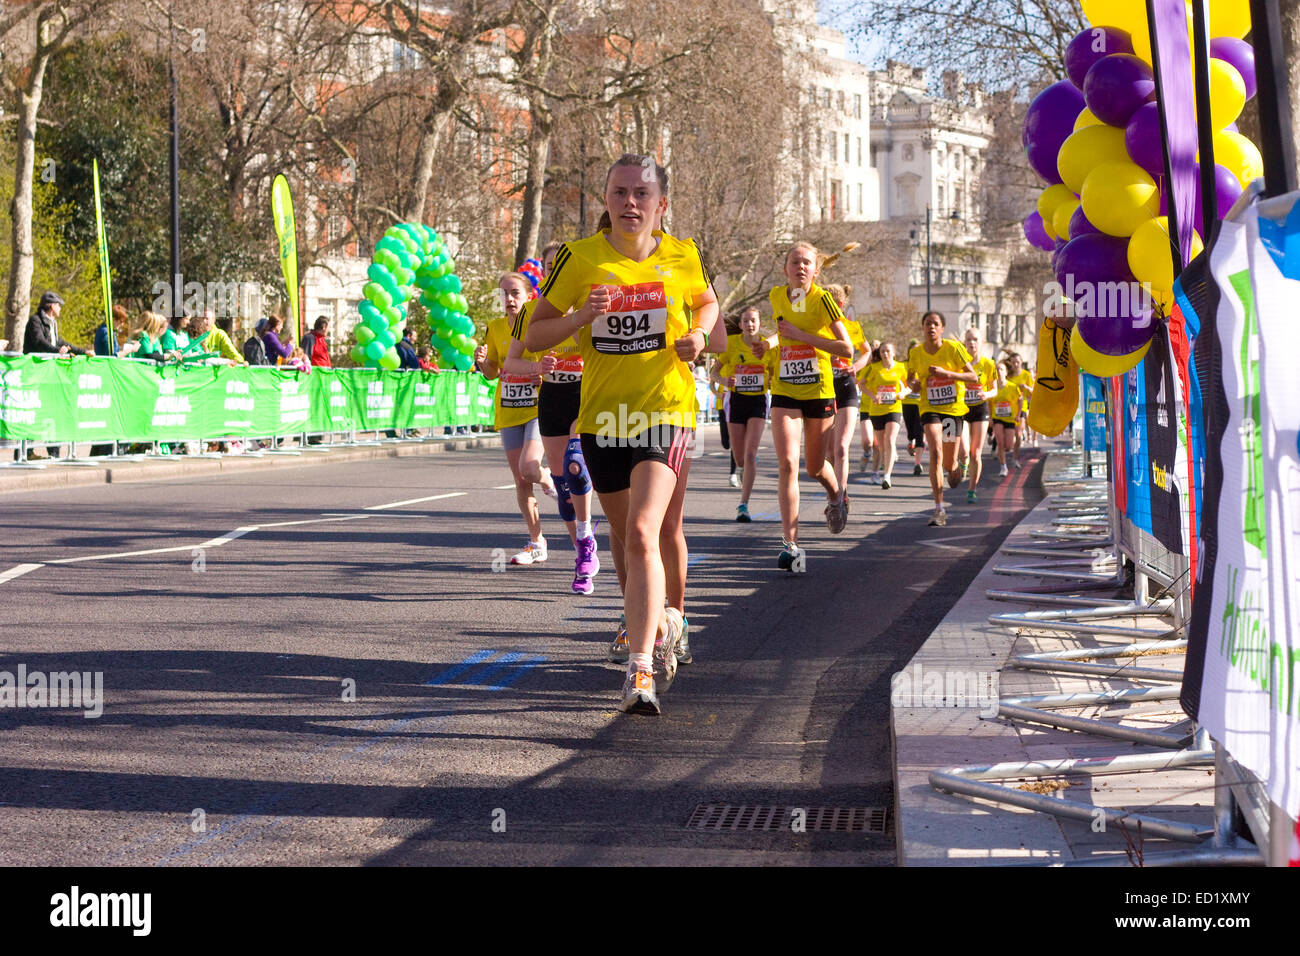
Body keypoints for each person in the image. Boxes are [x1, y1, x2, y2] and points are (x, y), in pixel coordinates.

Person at [524, 153, 721, 716]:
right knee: (621, 539)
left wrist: (700, 338)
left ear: (661, 205)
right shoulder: (578, 258)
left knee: (644, 530)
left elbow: (707, 304)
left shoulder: (683, 255)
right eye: (619, 193)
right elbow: (536, 334)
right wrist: (580, 317)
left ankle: (642, 667)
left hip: (667, 410)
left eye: (641, 194)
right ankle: (654, 618)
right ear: (605, 201)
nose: (630, 203)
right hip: (605, 418)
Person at [505, 242, 600, 594]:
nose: (555, 271)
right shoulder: (532, 312)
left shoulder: (591, 306)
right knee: (562, 488)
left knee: (576, 464)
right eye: (549, 265)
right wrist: (536, 367)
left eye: (561, 264)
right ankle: (582, 553)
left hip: (586, 396)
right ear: (543, 272)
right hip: (552, 399)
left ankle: (587, 535)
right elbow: (510, 364)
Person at [755, 242, 852, 571]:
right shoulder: (776, 296)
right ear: (785, 269)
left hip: (819, 391)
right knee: (786, 464)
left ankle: (836, 494)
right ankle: (791, 545)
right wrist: (767, 343)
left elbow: (845, 348)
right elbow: (782, 335)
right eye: (794, 262)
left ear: (816, 270)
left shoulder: (823, 300)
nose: (800, 267)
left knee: (813, 467)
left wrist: (803, 335)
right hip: (785, 390)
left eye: (806, 262)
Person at [474, 272, 557, 567]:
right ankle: (537, 543)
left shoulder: (538, 325)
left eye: (514, 293)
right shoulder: (495, 327)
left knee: (531, 467)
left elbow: (554, 362)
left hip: (537, 406)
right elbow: (493, 372)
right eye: (504, 294)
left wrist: (537, 369)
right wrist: (482, 361)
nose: (509, 299)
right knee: (521, 481)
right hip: (508, 407)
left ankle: (548, 478)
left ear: (528, 295)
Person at [906, 311, 979, 527]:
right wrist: (915, 385)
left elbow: (972, 376)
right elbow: (911, 379)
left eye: (935, 324)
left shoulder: (953, 348)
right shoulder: (916, 353)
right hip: (930, 408)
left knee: (948, 464)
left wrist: (948, 374)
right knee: (935, 451)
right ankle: (939, 509)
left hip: (952, 410)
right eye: (927, 323)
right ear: (922, 328)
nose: (931, 327)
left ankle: (956, 466)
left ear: (942, 328)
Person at [712, 306, 776, 522]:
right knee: (739, 458)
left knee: (749, 455)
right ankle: (745, 465)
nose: (750, 324)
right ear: (740, 325)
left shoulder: (768, 347)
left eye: (754, 320)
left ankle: (743, 504)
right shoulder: (731, 344)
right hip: (735, 401)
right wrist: (724, 381)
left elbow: (775, 374)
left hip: (758, 401)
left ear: (759, 323)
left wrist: (770, 381)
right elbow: (714, 373)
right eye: (746, 321)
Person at [821, 283, 864, 511]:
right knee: (827, 452)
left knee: (841, 448)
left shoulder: (851, 327)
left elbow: (867, 352)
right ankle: (833, 495)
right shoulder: (816, 326)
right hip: (825, 390)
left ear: (839, 305)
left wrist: (856, 365)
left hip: (846, 388)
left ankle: (842, 495)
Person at [957, 326, 998, 503]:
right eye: (969, 339)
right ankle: (963, 463)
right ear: (964, 343)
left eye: (975, 339)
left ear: (981, 343)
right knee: (964, 451)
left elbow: (995, 390)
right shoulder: (958, 363)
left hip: (980, 409)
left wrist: (986, 394)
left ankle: (972, 489)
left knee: (976, 453)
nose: (972, 343)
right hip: (962, 410)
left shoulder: (988, 364)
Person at [860, 342, 908, 489]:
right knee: (881, 446)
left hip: (894, 408)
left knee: (890, 439)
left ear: (894, 353)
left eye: (888, 351)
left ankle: (887, 476)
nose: (885, 354)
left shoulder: (901, 367)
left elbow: (910, 384)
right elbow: (861, 384)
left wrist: (903, 393)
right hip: (877, 410)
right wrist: (873, 395)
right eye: (882, 352)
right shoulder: (874, 368)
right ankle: (886, 461)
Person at [23, 292, 87, 356]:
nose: (60, 308)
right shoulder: (35, 320)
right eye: (58, 305)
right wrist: (58, 350)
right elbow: (40, 342)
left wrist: (84, 352)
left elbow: (58, 342)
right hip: (35, 364)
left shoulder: (52, 322)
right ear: (53, 306)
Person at [990, 360, 1021, 476]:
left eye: (1001, 369)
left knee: (1008, 446)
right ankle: (1003, 467)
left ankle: (1005, 453)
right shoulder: (993, 387)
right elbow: (989, 403)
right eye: (997, 370)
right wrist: (990, 418)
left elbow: (1020, 400)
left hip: (1010, 418)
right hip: (997, 417)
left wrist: (1018, 415)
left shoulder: (1012, 387)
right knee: (1000, 442)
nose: (999, 372)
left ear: (1006, 372)